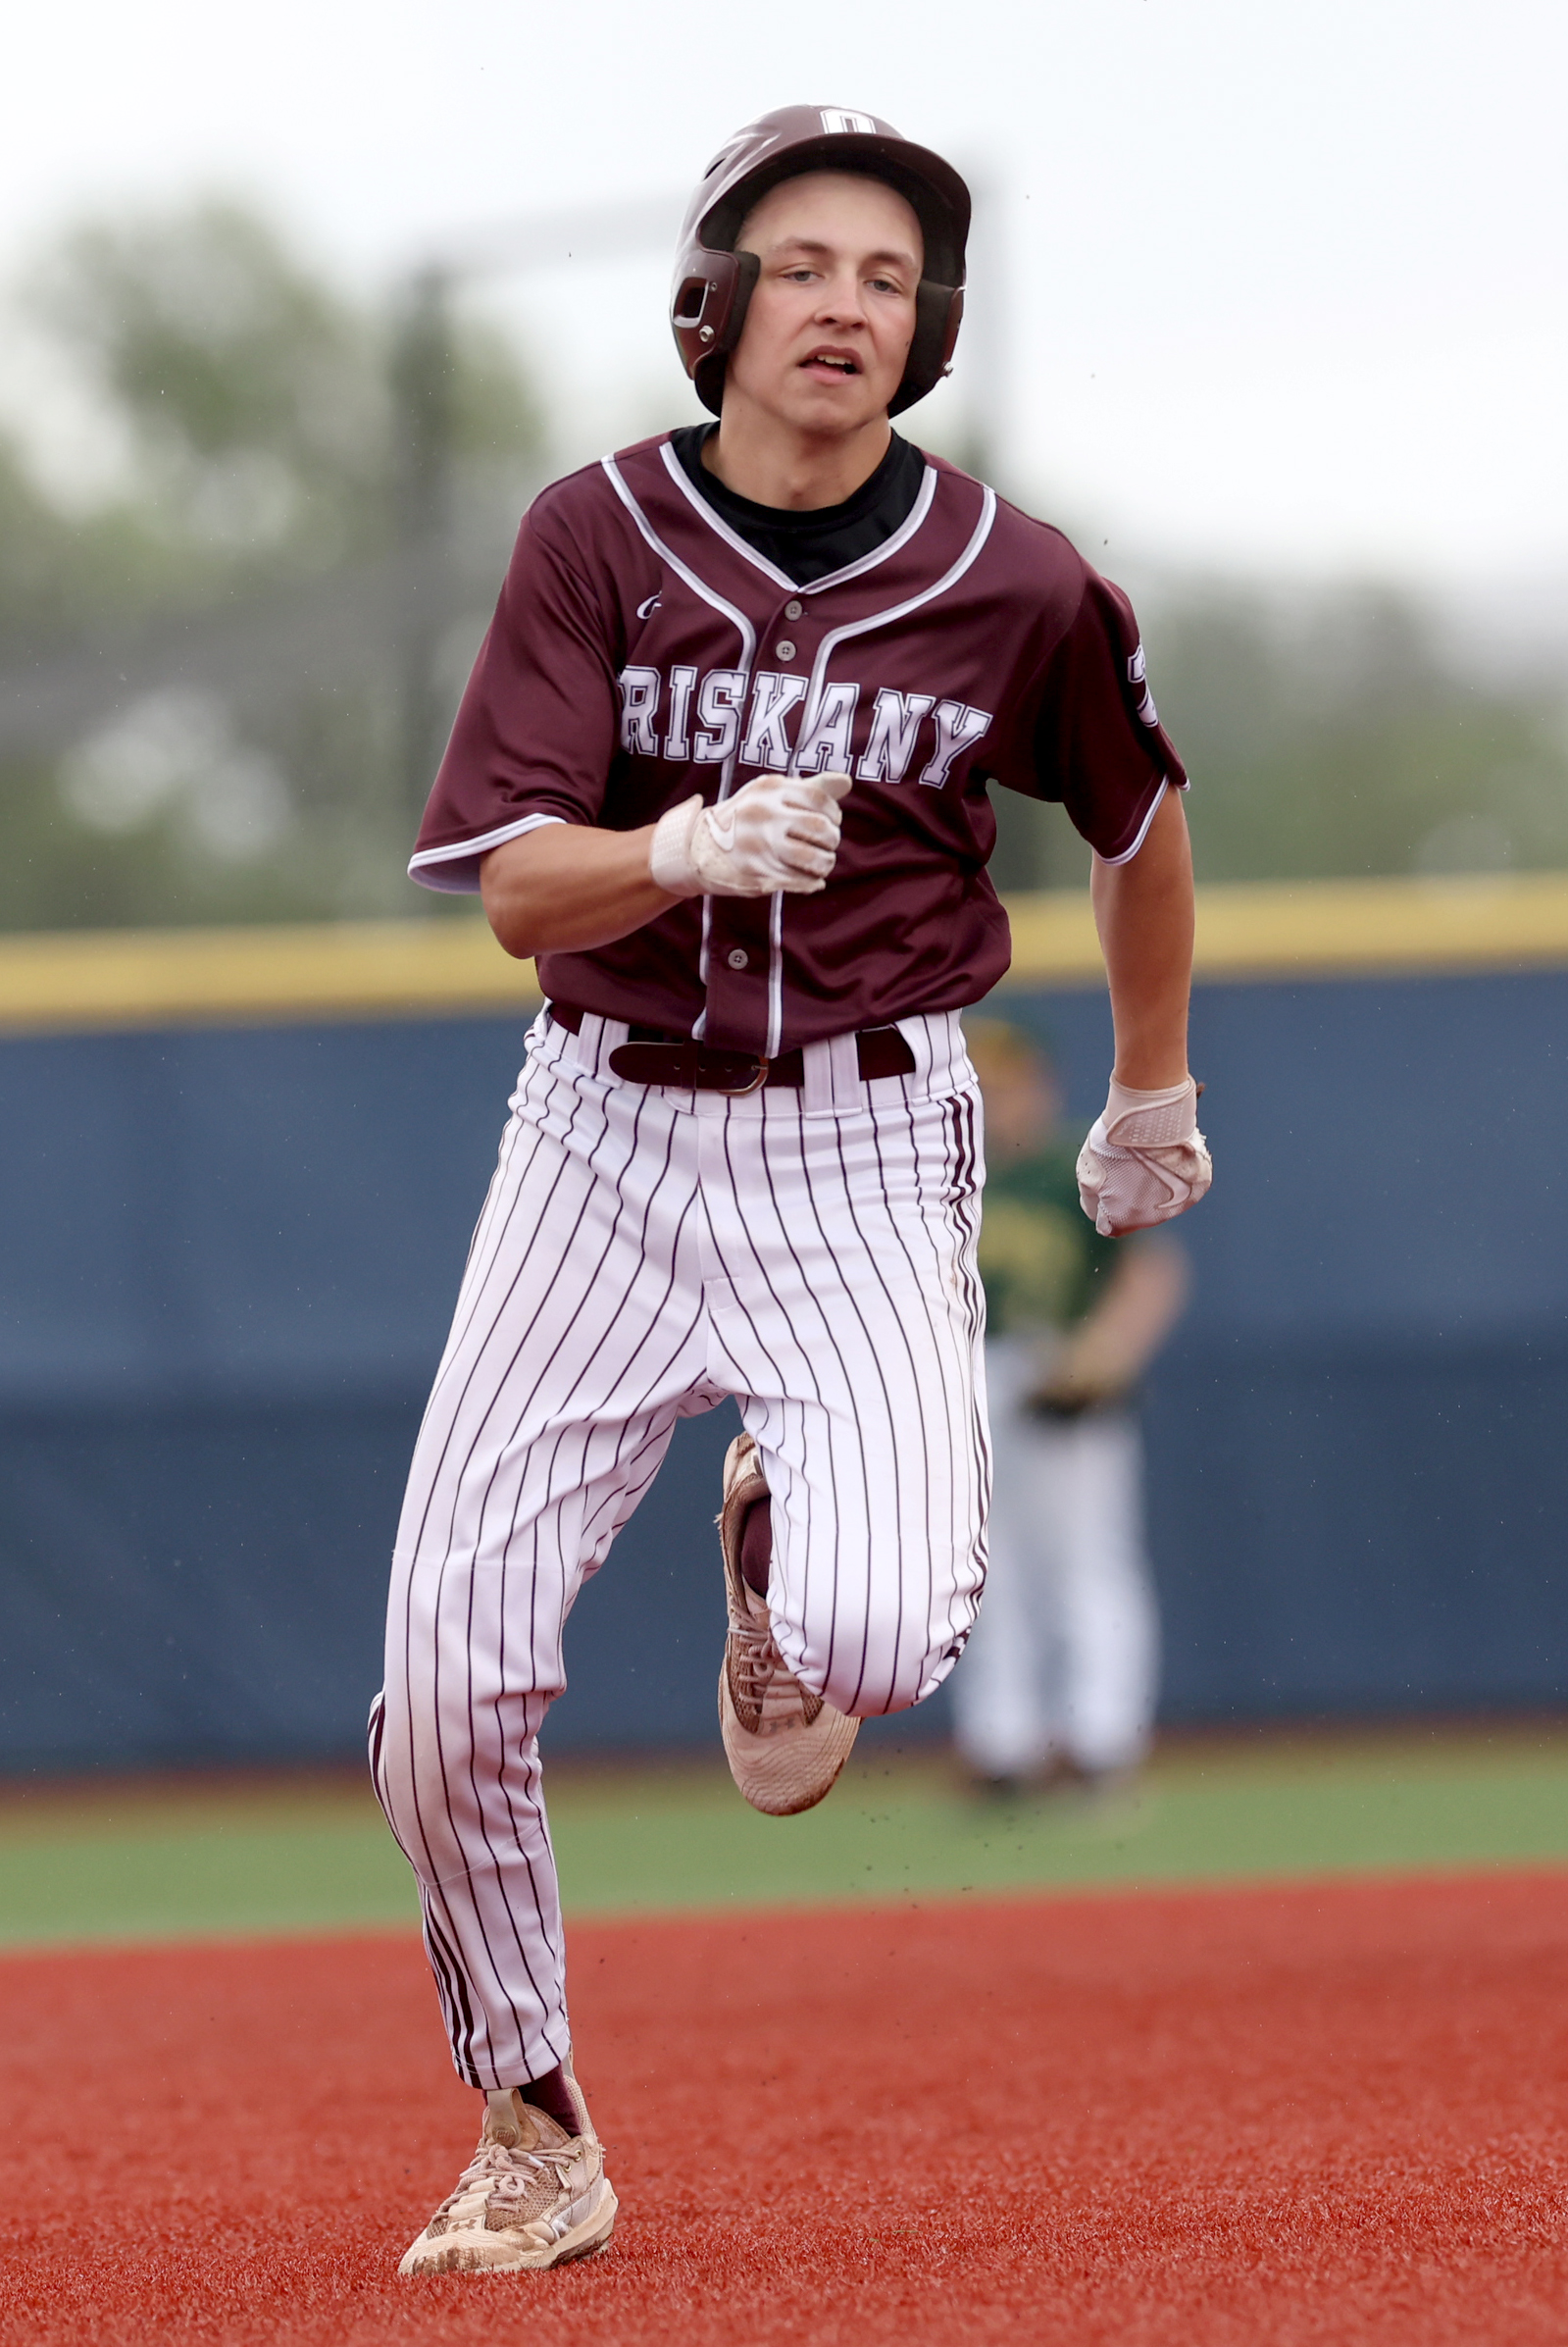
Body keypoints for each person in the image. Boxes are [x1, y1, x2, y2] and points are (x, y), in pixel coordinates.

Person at [369, 103, 1211, 2278]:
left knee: (878, 1638)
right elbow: (506, 886)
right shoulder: (594, 534)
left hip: (861, 1136)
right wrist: (674, 844)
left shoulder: (1015, 577)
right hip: (598, 1133)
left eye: (887, 277)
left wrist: (1146, 1082)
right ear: (717, 299)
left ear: (925, 329)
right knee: (440, 1684)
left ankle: (771, 1556)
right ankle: (532, 2122)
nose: (846, 304)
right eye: (805, 263)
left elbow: (1135, 819)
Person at [953, 1019, 1189, 1794]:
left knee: (1086, 1561)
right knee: (978, 1572)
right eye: (982, 1085)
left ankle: (1099, 1739)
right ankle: (1002, 1745)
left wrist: (1105, 1352)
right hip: (962, 1382)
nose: (995, 1100)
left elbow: (1152, 1270)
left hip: (1057, 1369)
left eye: (1007, 1083)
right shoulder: (941, 1174)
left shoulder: (1073, 1169)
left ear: (1040, 1086)